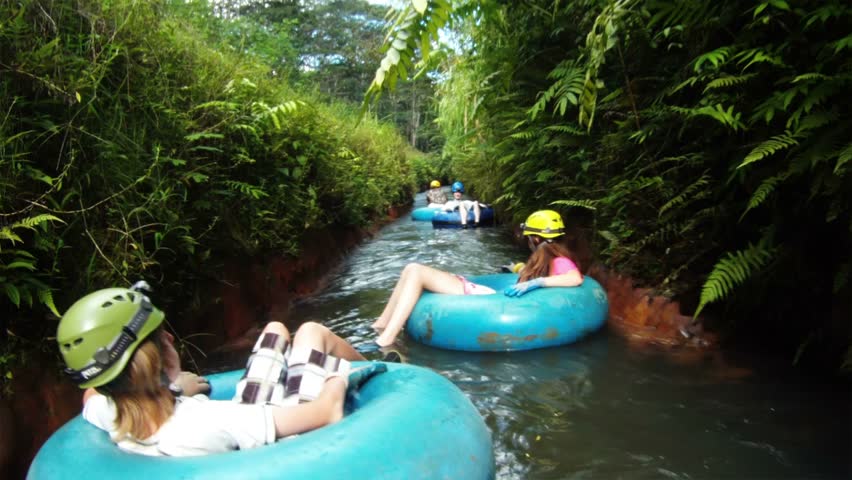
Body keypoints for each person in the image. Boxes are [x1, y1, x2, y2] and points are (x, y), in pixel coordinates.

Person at [56, 284, 386, 456]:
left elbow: (90, 394)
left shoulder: (109, 410)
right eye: (162, 336)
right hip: (281, 443)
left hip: (242, 421)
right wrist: (335, 378)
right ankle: (387, 368)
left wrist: (174, 390)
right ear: (154, 359)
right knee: (313, 333)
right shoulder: (207, 421)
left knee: (275, 330)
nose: (170, 337)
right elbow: (325, 412)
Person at [372, 210, 583, 346]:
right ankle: (381, 325)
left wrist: (538, 282)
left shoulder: (558, 261)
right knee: (411, 269)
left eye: (529, 237)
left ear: (536, 238)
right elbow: (534, 272)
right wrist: (518, 270)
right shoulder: (546, 258)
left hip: (486, 300)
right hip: (491, 296)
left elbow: (574, 278)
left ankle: (387, 338)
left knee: (415, 270)